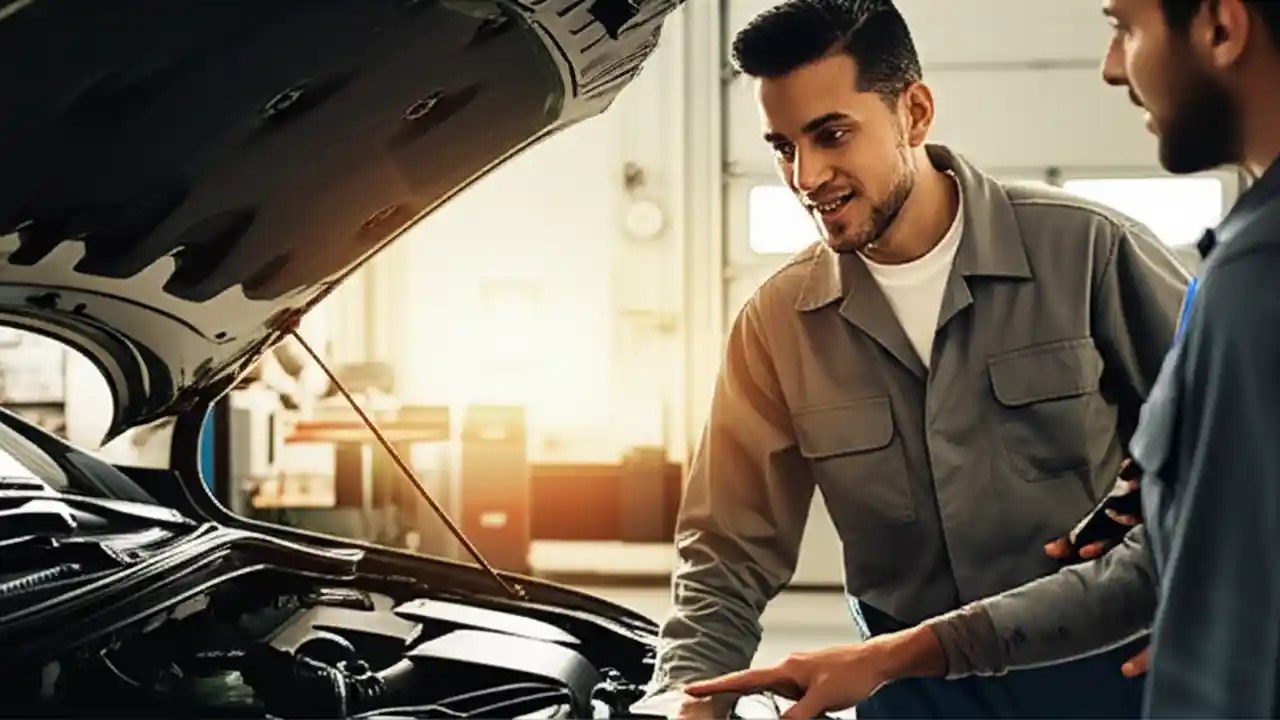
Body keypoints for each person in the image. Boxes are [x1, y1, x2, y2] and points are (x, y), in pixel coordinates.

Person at [683, 0, 1280, 717]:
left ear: (915, 112)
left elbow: (1222, 471)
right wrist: (684, 695)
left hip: (1100, 677)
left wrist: (1207, 612)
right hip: (907, 686)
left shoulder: (1090, 253)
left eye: (831, 134)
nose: (807, 175)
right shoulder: (776, 324)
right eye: (782, 147)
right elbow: (727, 552)